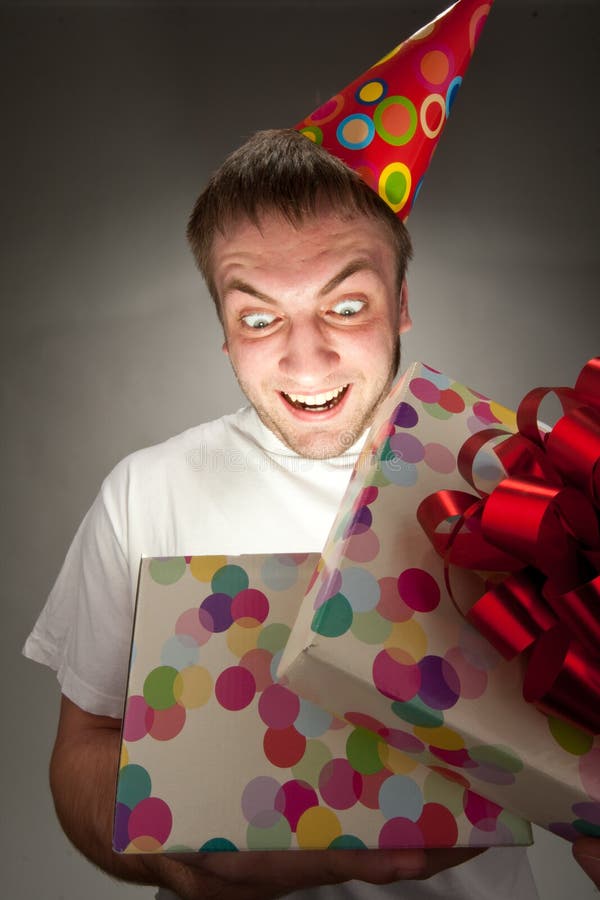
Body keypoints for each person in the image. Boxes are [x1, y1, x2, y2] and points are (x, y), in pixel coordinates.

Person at [23, 128, 600, 900]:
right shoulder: (145, 492)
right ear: (223, 332)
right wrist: (188, 875)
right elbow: (84, 750)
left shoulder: (523, 487)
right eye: (259, 317)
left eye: (346, 304)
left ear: (400, 304)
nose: (306, 360)